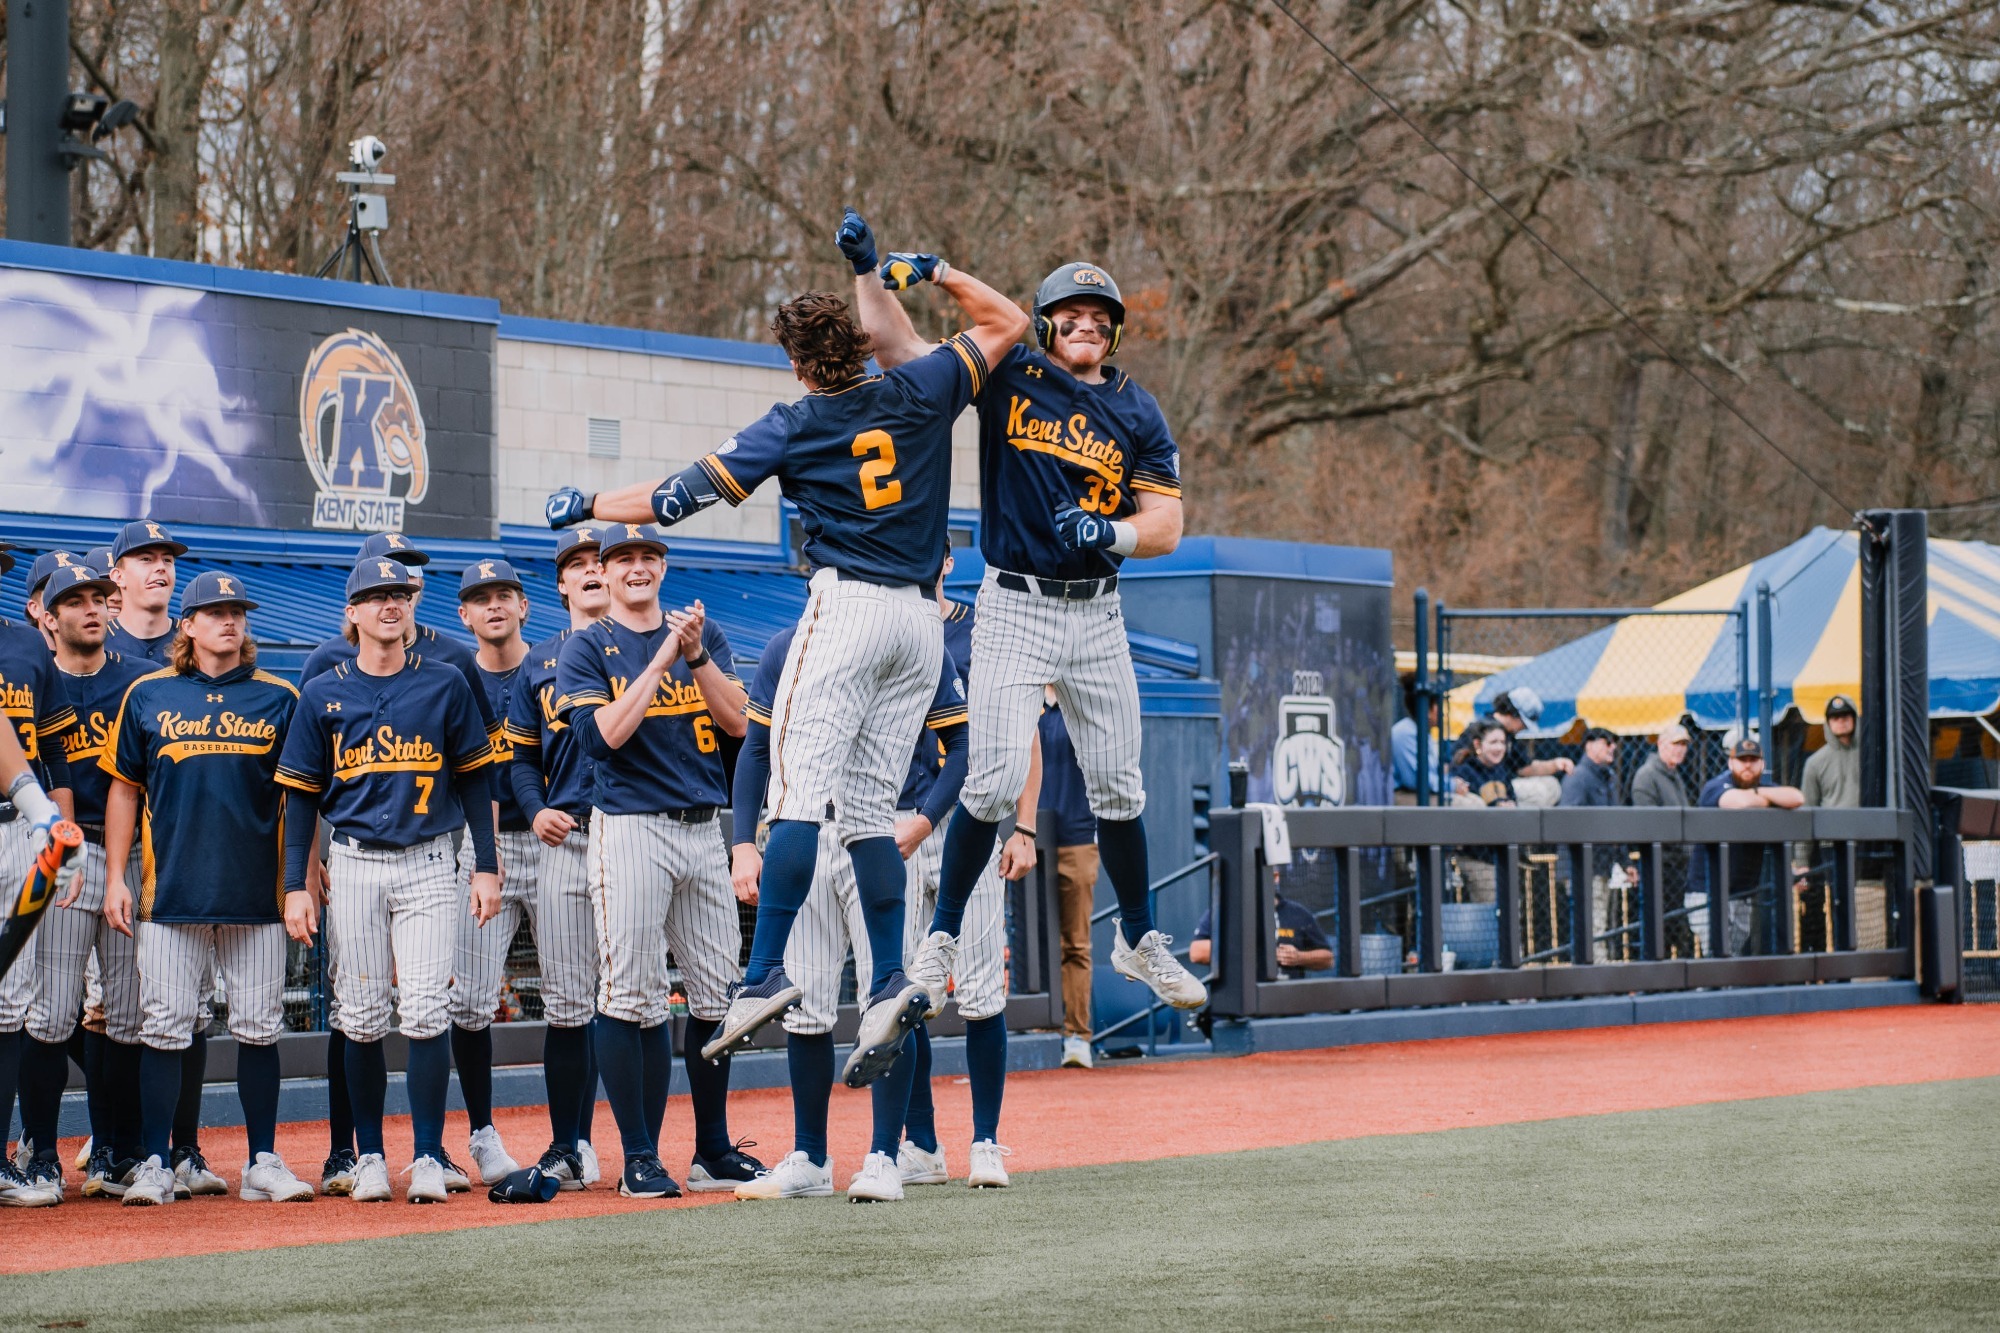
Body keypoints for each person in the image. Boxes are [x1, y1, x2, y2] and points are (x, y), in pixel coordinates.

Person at [546, 226, 1026, 1085]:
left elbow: (672, 499)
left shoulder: (794, 421)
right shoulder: (921, 385)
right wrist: (925, 272)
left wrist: (589, 501)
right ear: (864, 343)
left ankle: (763, 971)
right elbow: (1007, 322)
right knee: (870, 810)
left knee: (798, 796)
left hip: (846, 609)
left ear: (799, 367)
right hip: (919, 621)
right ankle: (888, 977)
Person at [848, 221, 1208, 1027]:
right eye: (1070, 316)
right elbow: (898, 350)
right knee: (992, 776)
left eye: (1099, 318)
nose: (1086, 326)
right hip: (1014, 600)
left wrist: (1110, 531)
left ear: (1115, 331)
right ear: (1046, 324)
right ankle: (942, 939)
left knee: (1119, 783)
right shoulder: (1014, 371)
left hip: (1097, 609)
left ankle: (1138, 937)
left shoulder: (1137, 408)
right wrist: (886, 271)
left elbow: (1166, 524)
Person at [276, 556, 502, 1204]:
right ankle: (369, 1155)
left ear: (411, 604)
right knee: (362, 1014)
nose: (389, 603)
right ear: (352, 612)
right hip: (353, 862)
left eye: (398, 593)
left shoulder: (445, 681)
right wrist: (295, 882)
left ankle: (428, 1154)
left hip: (429, 859)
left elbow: (476, 777)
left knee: (427, 1009)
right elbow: (300, 794)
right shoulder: (323, 689)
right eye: (375, 595)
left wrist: (486, 866)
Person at [728, 604, 968, 1202]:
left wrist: (925, 820)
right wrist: (742, 841)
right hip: (800, 831)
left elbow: (963, 744)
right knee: (805, 1004)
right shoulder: (788, 643)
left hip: (883, 830)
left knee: (890, 1001)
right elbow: (756, 749)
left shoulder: (916, 639)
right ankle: (810, 1156)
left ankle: (887, 1154)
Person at [551, 524, 759, 1199]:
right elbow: (601, 738)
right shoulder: (587, 645)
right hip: (631, 826)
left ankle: (712, 1150)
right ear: (606, 573)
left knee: (716, 993)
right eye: (624, 559)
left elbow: (739, 724)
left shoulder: (705, 634)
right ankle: (639, 1156)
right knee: (630, 995)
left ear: (662, 568)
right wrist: (665, 652)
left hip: (702, 826)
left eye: (648, 556)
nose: (637, 567)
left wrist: (694, 655)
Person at [102, 571, 314, 1205]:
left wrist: (303, 878)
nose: (230, 621)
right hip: (171, 893)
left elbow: (302, 794)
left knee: (259, 1028)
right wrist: (113, 877)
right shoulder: (148, 693)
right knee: (164, 1028)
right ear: (186, 625)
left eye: (237, 612)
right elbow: (124, 789)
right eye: (216, 612)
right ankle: (157, 1162)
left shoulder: (279, 696)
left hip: (258, 894)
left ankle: (261, 1160)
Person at [14, 566, 150, 1203]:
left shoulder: (139, 679)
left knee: (127, 1012)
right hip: (61, 853)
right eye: (75, 601)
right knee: (51, 1011)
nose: (92, 609)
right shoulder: (33, 676)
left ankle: (119, 1151)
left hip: (130, 855)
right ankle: (41, 1153)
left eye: (99, 597)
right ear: (46, 615)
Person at [504, 525, 610, 1188]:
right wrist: (535, 806)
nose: (591, 569)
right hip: (567, 837)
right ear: (563, 584)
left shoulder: (650, 647)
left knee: (631, 998)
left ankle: (632, 1145)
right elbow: (520, 756)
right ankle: (569, 1142)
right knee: (569, 1001)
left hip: (633, 835)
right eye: (577, 563)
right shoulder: (539, 661)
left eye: (600, 559)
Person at [446, 558, 537, 1187]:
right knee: (471, 1002)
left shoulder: (554, 665)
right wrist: (483, 846)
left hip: (556, 841)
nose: (495, 605)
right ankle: (482, 1135)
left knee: (576, 999)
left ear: (524, 605)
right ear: (464, 615)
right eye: (481, 598)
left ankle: (574, 1141)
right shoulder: (453, 680)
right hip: (481, 849)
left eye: (505, 594)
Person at [1695, 737, 1805, 955]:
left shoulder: (1763, 786)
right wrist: (1766, 798)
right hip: (1706, 890)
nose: (1747, 765)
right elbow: (1737, 802)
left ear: (1762, 764)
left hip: (1742, 891)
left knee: (1732, 956)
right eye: (1742, 760)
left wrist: (1759, 793)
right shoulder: (1715, 785)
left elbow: (1796, 797)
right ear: (1731, 763)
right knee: (1716, 955)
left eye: (1753, 760)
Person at [1037, 693, 1100, 1069]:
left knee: (1075, 943)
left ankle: (1077, 1036)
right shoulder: (1024, 697)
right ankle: (1039, 1029)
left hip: (1077, 838)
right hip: (1027, 840)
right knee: (1031, 946)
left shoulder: (1083, 701)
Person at [1630, 723, 1696, 957]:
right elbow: (1648, 825)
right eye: (1675, 744)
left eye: (1684, 745)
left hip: (1679, 866)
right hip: (1661, 867)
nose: (1680, 749)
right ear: (1660, 744)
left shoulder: (1673, 775)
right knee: (1661, 930)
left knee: (1678, 928)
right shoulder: (1647, 776)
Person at [1188, 890, 1334, 978]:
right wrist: (1257, 952)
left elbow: (1327, 959)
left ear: (1275, 876)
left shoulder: (1297, 913)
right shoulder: (1227, 908)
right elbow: (1197, 952)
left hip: (1288, 1004)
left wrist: (1300, 957)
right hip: (1240, 1005)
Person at [102, 521, 187, 664]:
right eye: (146, 559)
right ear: (118, 577)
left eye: (167, 560)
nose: (161, 567)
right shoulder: (96, 642)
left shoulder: (195, 640)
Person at [1450, 721, 1515, 903]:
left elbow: (1512, 798)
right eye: (1493, 742)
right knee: (1492, 904)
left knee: (1512, 905)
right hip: (1475, 856)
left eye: (1503, 742)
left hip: (1502, 853)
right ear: (1478, 744)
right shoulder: (1463, 771)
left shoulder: (1502, 770)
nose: (1499, 747)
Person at [1454, 688, 1574, 781]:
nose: (1524, 728)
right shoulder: (1477, 730)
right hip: (1476, 784)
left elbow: (1524, 767)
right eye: (1523, 723)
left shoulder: (1509, 736)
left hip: (1501, 785)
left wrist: (1555, 765)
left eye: (1501, 743)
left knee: (1549, 784)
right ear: (1513, 714)